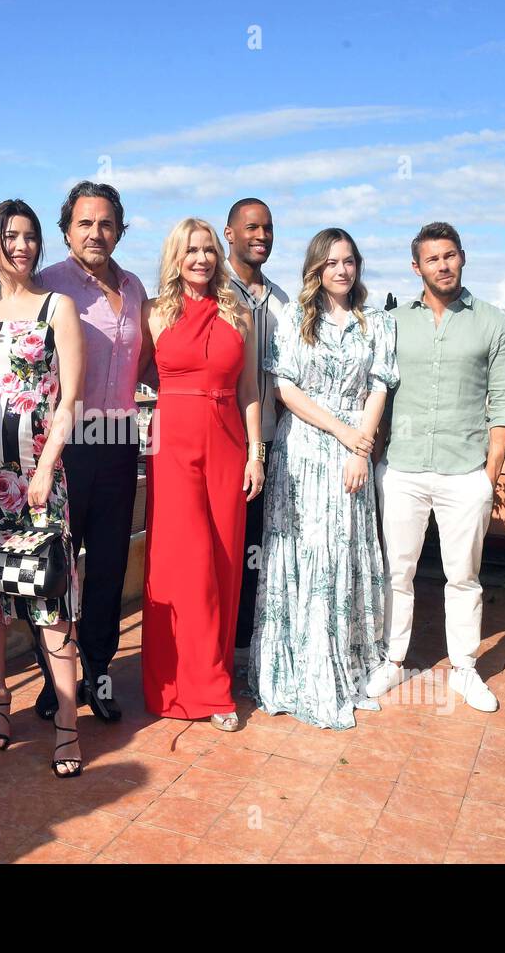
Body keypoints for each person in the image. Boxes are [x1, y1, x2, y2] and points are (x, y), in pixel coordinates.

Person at [0, 181, 147, 723]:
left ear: (119, 228)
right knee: (49, 565)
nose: (96, 232)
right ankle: (58, 679)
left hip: (120, 439)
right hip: (61, 443)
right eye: (84, 223)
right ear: (66, 231)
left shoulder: (136, 288)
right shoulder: (48, 287)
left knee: (106, 564)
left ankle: (97, 673)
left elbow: (145, 362)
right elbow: (1, 332)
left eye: (106, 223)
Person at [0, 199, 87, 777]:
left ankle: (67, 723)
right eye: (10, 236)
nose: (23, 246)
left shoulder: (59, 307)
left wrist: (50, 465)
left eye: (30, 236)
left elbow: (70, 396)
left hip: (35, 480)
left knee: (50, 599)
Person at [366, 222, 505, 712]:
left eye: (450, 256)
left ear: (463, 258)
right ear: (417, 267)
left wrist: (487, 477)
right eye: (433, 259)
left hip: (464, 472)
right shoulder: (392, 322)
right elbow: (376, 392)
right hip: (403, 470)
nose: (443, 265)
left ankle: (464, 669)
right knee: (397, 571)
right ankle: (392, 661)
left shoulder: (494, 323)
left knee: (464, 577)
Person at [249, 229, 397, 728]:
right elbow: (285, 388)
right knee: (306, 553)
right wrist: (342, 431)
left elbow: (379, 386)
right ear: (316, 267)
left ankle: (343, 666)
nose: (341, 270)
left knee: (343, 552)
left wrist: (361, 446)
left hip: (353, 452)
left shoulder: (376, 323)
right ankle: (297, 670)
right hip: (303, 452)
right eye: (331, 261)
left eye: (349, 261)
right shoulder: (292, 317)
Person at [141, 218, 264, 731]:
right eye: (191, 250)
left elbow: (251, 388)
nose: (201, 259)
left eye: (209, 250)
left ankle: (212, 680)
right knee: (183, 564)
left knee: (223, 561)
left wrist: (256, 453)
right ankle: (184, 685)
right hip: (172, 445)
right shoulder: (154, 314)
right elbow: (129, 374)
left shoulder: (239, 313)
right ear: (176, 256)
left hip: (228, 443)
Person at [223, 198, 289, 671]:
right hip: (223, 441)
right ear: (229, 233)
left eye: (267, 228)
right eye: (251, 228)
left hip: (269, 440)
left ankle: (247, 647)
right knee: (224, 548)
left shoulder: (282, 301)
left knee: (259, 547)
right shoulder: (210, 291)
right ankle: (221, 647)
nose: (260, 235)